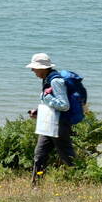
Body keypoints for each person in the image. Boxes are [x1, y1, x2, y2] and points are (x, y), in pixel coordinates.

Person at [25, 52, 74, 185]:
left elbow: (64, 106)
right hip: (49, 124)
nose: (32, 70)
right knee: (39, 154)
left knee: (67, 156)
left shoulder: (55, 81)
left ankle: (81, 179)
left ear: (42, 68)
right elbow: (53, 106)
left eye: (34, 68)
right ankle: (36, 185)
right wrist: (39, 112)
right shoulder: (46, 79)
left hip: (59, 125)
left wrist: (47, 98)